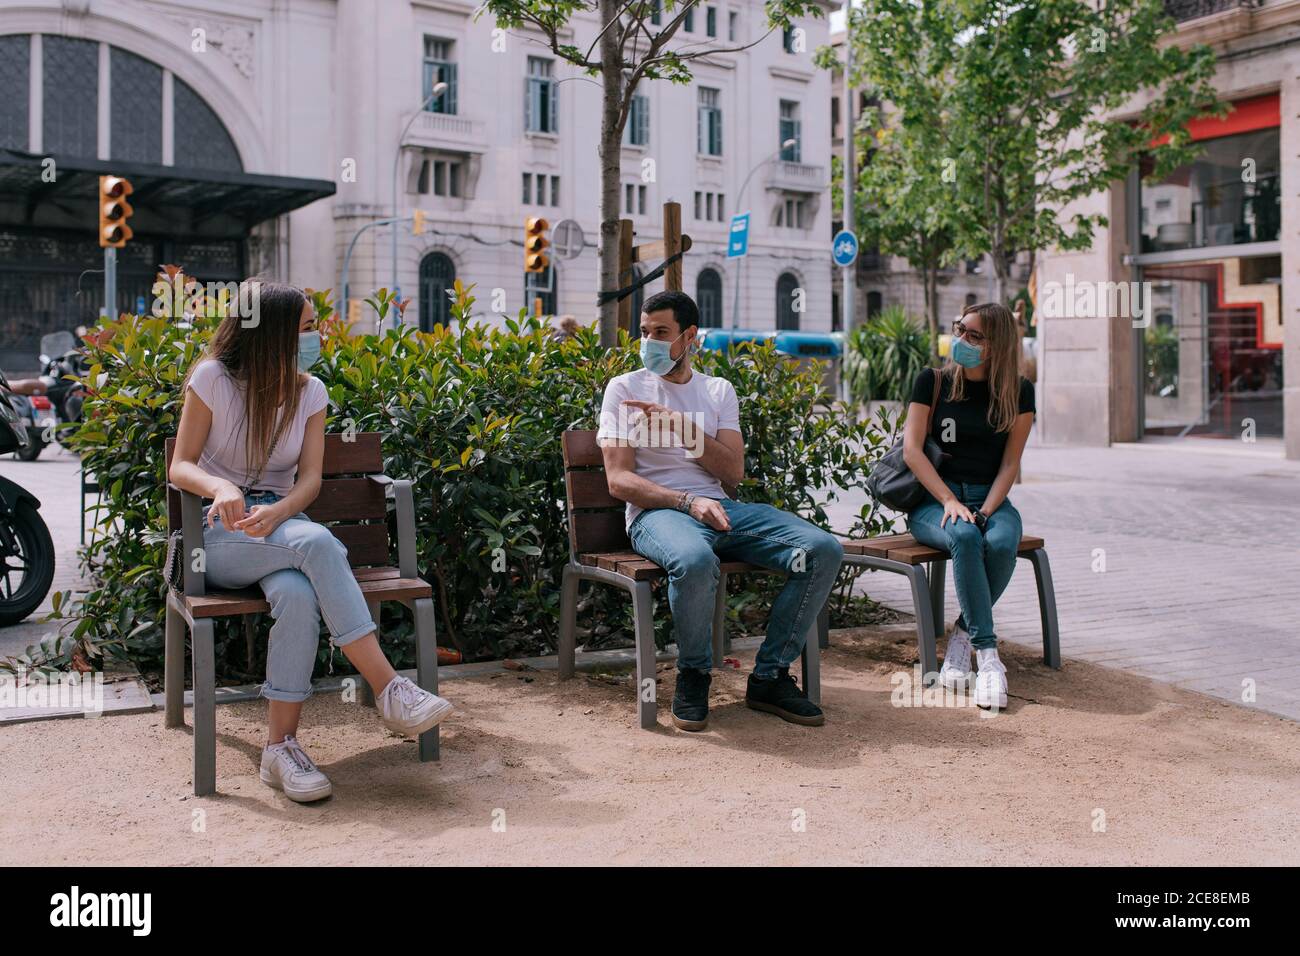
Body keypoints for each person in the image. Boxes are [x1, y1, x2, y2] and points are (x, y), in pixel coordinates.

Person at [168, 281, 454, 802]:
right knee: (318, 543)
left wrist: (279, 509)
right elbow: (181, 464)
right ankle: (389, 687)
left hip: (278, 527)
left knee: (298, 596)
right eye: (306, 327)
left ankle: (280, 749)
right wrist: (222, 486)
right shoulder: (212, 378)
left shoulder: (310, 392)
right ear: (272, 333)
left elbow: (310, 481)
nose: (316, 336)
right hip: (218, 535)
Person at [597, 290, 843, 731]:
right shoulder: (624, 389)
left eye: (661, 333)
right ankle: (694, 674)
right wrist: (688, 501)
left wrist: (681, 429)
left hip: (725, 509)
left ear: (689, 336)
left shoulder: (716, 390)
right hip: (659, 514)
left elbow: (732, 471)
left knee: (822, 548)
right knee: (693, 561)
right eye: (644, 332)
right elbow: (620, 481)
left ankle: (768, 677)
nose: (649, 342)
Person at [903, 302, 1035, 709]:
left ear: (997, 345)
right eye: (960, 330)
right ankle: (990, 658)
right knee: (962, 534)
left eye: (974, 336)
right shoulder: (933, 381)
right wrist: (948, 500)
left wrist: (986, 511)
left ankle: (961, 636)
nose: (961, 340)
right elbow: (912, 450)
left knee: (999, 542)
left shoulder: (1019, 391)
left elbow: (1011, 462)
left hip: (990, 498)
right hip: (934, 500)